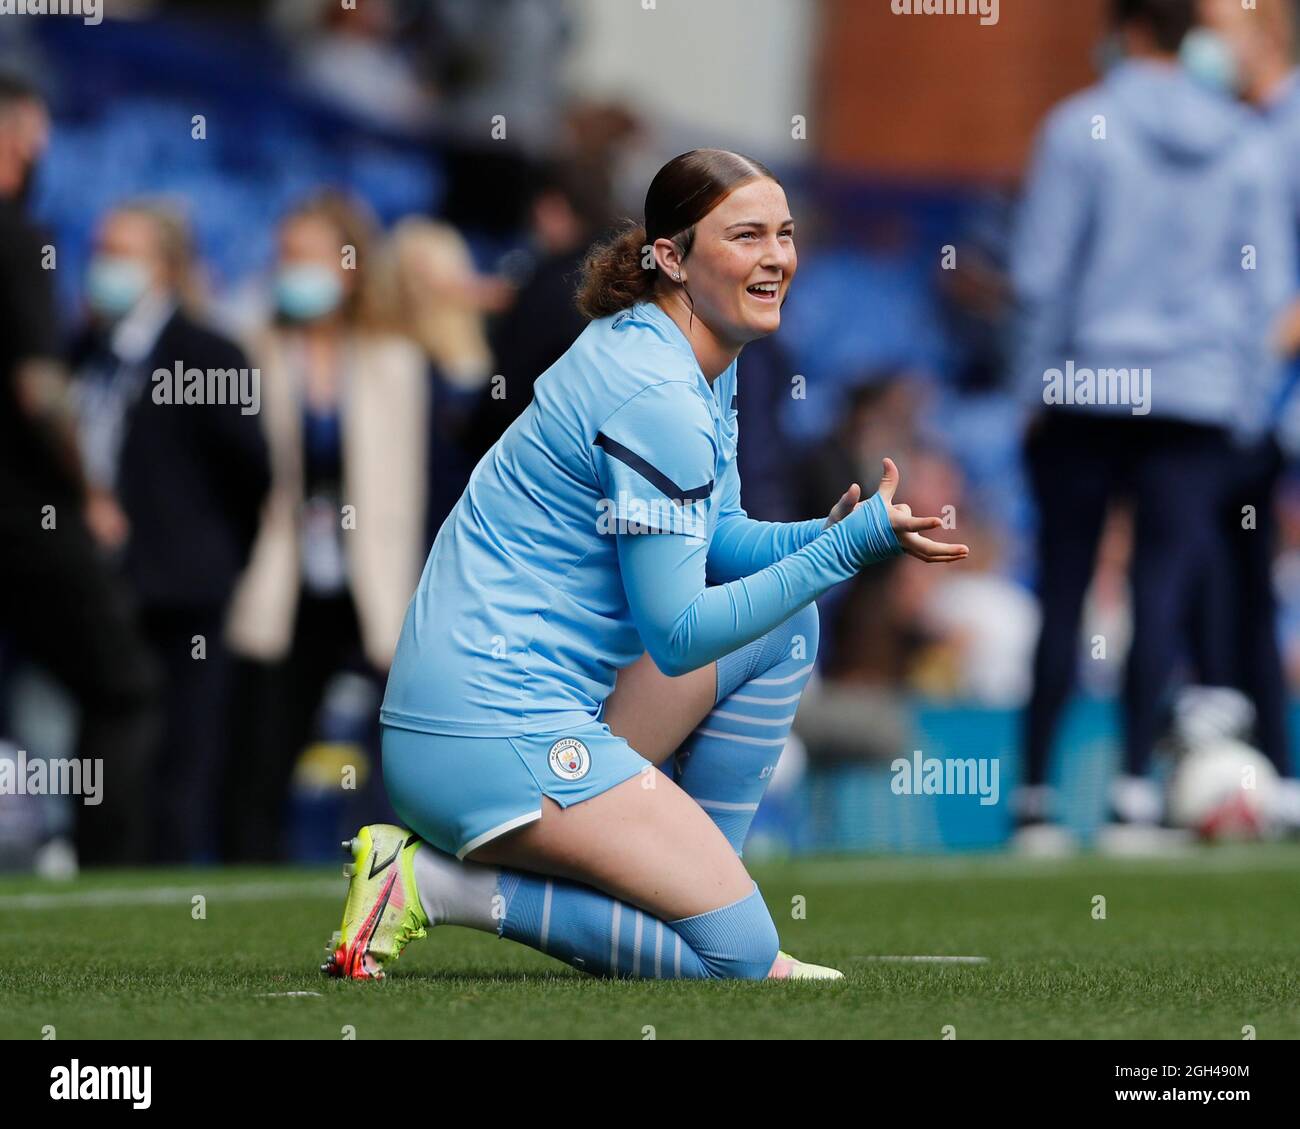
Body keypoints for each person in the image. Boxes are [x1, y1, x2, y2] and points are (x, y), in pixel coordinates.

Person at [322, 149, 968, 983]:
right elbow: (676, 633)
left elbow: (722, 534)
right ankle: (431, 884)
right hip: (483, 731)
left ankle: (695, 892)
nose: (776, 256)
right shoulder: (656, 392)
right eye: (746, 236)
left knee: (787, 624)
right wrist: (838, 553)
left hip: (508, 707)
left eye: (785, 233)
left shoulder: (685, 349)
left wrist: (836, 534)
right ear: (671, 255)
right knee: (738, 957)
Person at [1009, 0, 1295, 845]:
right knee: (1161, 593)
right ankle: (1136, 789)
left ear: (1128, 30)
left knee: (1062, 591)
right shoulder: (1243, 140)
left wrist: (1032, 386)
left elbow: (1038, 276)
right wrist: (1240, 403)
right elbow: (1266, 291)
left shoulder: (1077, 128)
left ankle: (1034, 799)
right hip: (1197, 404)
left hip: (1086, 389)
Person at [223, 191, 429, 862]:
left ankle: (389, 883)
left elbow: (410, 485)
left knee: (395, 754)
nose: (295, 270)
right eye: (287, 256)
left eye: (311, 256)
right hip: (280, 580)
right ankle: (245, 881)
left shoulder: (392, 359)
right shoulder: (249, 351)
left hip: (371, 583)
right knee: (260, 748)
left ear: (350, 266)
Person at [69, 201, 271, 863]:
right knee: (103, 750)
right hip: (95, 585)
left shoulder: (207, 352)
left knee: (181, 758)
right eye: (101, 250)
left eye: (121, 252)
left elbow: (252, 473)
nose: (104, 266)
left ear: (163, 266)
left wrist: (209, 557)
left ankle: (170, 885)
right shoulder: (82, 352)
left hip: (183, 588)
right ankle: (100, 874)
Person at [0, 75, 162, 867]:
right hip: (25, 511)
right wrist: (89, 490)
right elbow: (38, 389)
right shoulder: (19, 238)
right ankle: (110, 865)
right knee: (123, 684)